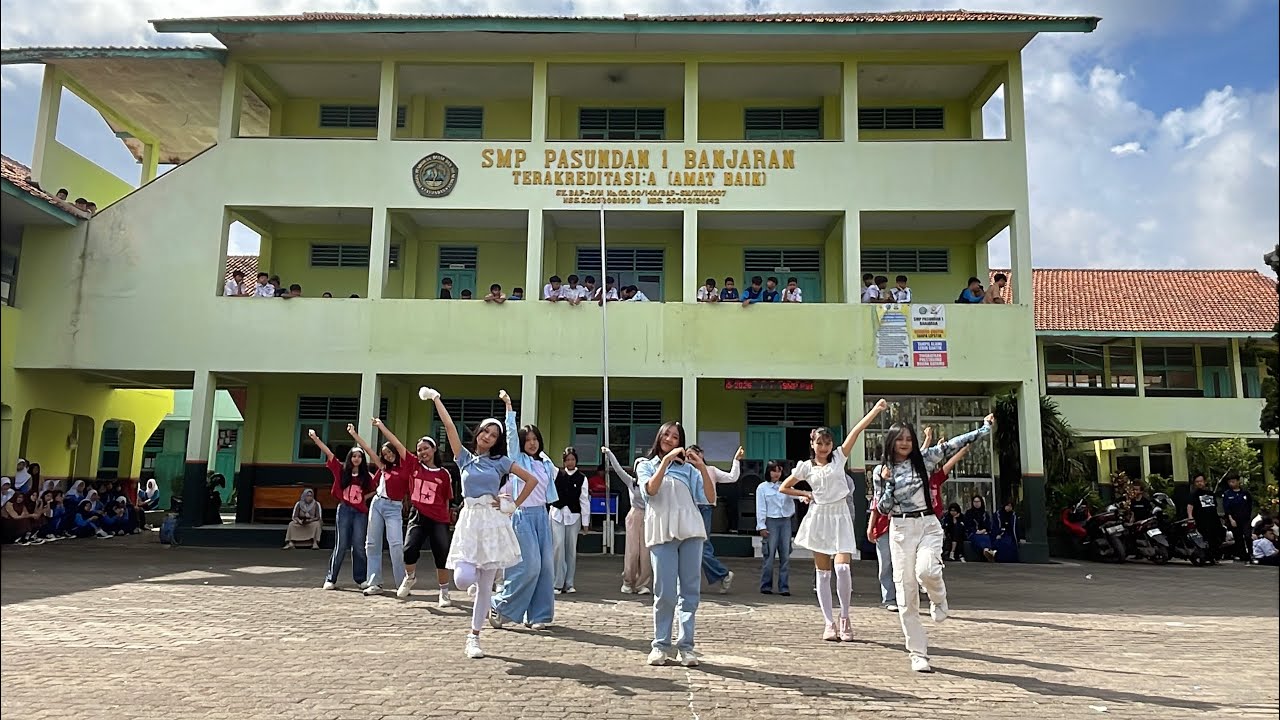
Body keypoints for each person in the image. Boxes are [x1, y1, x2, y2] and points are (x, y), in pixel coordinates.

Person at [869, 414, 995, 673]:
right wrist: (889, 481)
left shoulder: (925, 459)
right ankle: (918, 653)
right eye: (899, 439)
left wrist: (984, 428)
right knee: (906, 594)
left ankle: (939, 598)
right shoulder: (880, 471)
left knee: (926, 571)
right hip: (900, 528)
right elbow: (883, 507)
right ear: (890, 442)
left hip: (927, 524)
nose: (904, 443)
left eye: (908, 439)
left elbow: (955, 444)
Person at [423, 387, 540, 659]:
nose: (489, 437)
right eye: (486, 431)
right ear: (478, 433)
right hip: (469, 520)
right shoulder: (464, 458)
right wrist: (437, 398)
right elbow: (449, 426)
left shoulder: (500, 462)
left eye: (494, 435)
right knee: (463, 580)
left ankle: (474, 637)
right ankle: (476, 583)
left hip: (492, 520)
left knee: (486, 586)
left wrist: (512, 504)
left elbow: (531, 481)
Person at [780, 399, 888, 642]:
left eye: (827, 442)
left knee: (842, 567)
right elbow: (784, 488)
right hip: (819, 517)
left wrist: (875, 410)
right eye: (820, 442)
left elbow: (856, 431)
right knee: (824, 573)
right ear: (812, 443)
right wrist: (805, 494)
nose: (824, 447)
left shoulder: (839, 457)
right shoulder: (806, 467)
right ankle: (828, 622)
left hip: (840, 515)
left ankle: (845, 617)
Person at [636, 421, 716, 667]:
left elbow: (710, 499)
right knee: (665, 592)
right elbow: (650, 490)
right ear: (659, 437)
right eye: (666, 435)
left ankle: (686, 647)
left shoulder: (689, 471)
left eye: (675, 437)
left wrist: (701, 467)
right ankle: (660, 645)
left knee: (690, 592)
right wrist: (666, 461)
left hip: (691, 531)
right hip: (662, 533)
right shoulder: (646, 465)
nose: (670, 439)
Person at [490, 390, 559, 630]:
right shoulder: (517, 459)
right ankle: (499, 605)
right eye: (527, 439)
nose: (532, 443)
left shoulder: (544, 462)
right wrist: (509, 407)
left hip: (542, 515)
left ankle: (539, 616)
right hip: (523, 517)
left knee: (546, 568)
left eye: (535, 439)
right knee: (529, 567)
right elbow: (510, 435)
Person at [351, 419, 414, 596]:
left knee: (396, 545)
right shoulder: (384, 467)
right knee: (371, 544)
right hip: (377, 504)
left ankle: (402, 583)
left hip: (394, 508)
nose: (387, 455)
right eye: (384, 453)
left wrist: (381, 427)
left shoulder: (406, 467)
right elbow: (368, 450)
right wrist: (355, 435)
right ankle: (375, 583)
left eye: (389, 452)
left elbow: (397, 443)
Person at [309, 429, 373, 590]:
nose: (356, 459)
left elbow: (377, 488)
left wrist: (364, 498)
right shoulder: (341, 470)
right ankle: (331, 578)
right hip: (344, 510)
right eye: (354, 456)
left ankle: (361, 579)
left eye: (359, 456)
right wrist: (316, 438)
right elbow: (329, 453)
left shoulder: (367, 476)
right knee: (341, 545)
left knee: (358, 546)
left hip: (360, 513)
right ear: (350, 458)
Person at [398, 435, 455, 606]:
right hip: (418, 515)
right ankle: (410, 577)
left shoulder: (444, 474)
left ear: (434, 449)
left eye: (426, 448)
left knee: (441, 555)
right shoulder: (414, 466)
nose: (423, 452)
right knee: (408, 549)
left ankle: (444, 592)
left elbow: (446, 498)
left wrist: (446, 519)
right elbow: (398, 445)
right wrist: (380, 426)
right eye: (419, 450)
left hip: (439, 518)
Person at [685, 445, 741, 594]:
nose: (691, 458)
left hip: (705, 508)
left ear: (701, 454)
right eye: (688, 455)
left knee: (702, 546)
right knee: (691, 546)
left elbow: (732, 477)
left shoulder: (711, 470)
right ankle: (692, 582)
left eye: (694, 454)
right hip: (688, 509)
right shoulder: (686, 470)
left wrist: (736, 460)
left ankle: (722, 573)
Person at [604, 446, 652, 595]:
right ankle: (628, 581)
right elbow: (618, 470)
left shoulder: (651, 484)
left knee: (646, 553)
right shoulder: (631, 482)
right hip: (634, 516)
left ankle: (642, 584)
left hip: (649, 517)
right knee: (632, 552)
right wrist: (610, 454)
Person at [549, 447, 591, 595]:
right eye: (567, 459)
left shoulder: (582, 478)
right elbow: (547, 462)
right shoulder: (557, 474)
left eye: (572, 459)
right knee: (558, 547)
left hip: (573, 517)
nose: (570, 462)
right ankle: (557, 583)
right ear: (564, 461)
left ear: (576, 460)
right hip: (557, 514)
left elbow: (584, 500)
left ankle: (569, 583)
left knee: (571, 550)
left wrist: (586, 523)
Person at [755, 460, 797, 595]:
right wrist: (761, 525)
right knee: (769, 555)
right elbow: (760, 508)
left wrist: (806, 496)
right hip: (771, 521)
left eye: (779, 471)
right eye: (773, 470)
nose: (776, 474)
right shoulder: (762, 488)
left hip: (785, 521)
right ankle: (766, 585)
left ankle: (784, 586)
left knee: (785, 555)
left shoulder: (785, 486)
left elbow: (795, 495)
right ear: (768, 472)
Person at [1187, 473, 1225, 564]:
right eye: (1197, 482)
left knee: (1217, 536)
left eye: (1201, 481)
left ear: (1205, 482)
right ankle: (1206, 556)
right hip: (1202, 520)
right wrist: (1190, 516)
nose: (1199, 483)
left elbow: (1214, 505)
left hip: (1214, 519)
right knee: (1206, 538)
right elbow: (1190, 506)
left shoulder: (1210, 493)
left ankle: (1215, 557)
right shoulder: (1194, 494)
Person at [1221, 472, 1254, 562]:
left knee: (1247, 536)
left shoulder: (1245, 493)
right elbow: (1227, 508)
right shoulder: (1227, 494)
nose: (1232, 484)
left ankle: (1251, 553)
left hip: (1245, 519)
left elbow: (1250, 505)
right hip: (1234, 519)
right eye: (1230, 482)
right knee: (1238, 537)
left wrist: (1249, 516)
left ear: (1238, 481)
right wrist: (1231, 519)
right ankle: (1243, 555)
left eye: (1233, 481)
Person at [963, 496, 995, 561]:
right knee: (978, 538)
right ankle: (987, 551)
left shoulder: (985, 514)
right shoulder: (969, 513)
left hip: (984, 532)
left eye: (978, 502)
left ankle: (987, 551)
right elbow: (967, 525)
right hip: (973, 533)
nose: (976, 503)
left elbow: (988, 525)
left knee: (986, 537)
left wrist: (984, 530)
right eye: (975, 502)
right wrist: (975, 531)